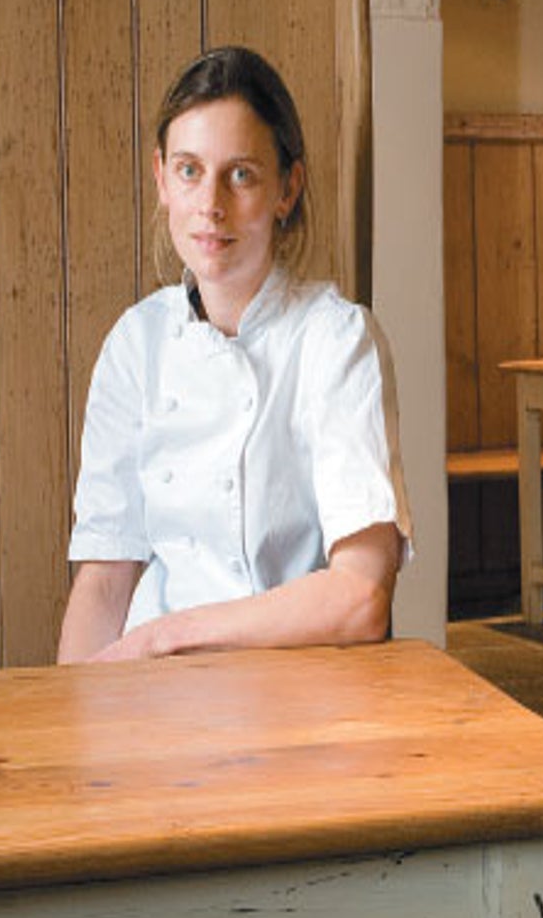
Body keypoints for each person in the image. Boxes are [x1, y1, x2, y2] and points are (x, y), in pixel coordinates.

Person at [58, 45, 412, 667]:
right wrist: (70, 709)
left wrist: (166, 636)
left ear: (287, 188)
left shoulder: (335, 340)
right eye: (189, 171)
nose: (211, 204)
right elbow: (105, 579)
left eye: (241, 175)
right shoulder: (136, 343)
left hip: (299, 691)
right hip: (153, 691)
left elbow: (359, 598)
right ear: (161, 179)